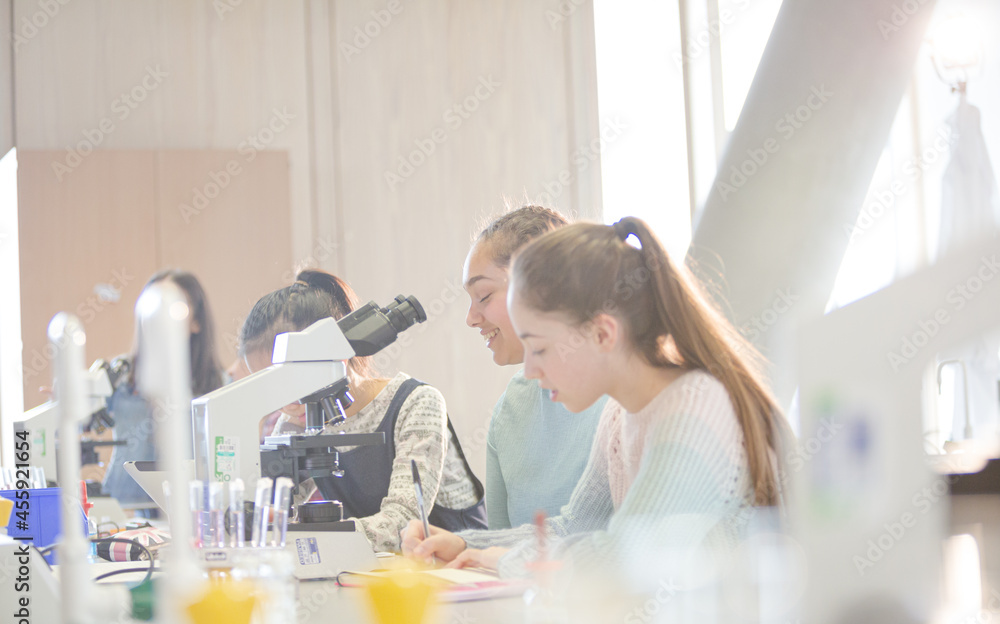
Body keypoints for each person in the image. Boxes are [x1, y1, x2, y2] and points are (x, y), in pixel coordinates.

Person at [404, 217, 791, 578]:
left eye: (539, 349)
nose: (530, 371)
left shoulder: (695, 406)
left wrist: (509, 561)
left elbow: (628, 558)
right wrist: (465, 544)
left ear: (603, 335)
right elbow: (575, 526)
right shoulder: (619, 415)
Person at [240, 269, 487, 551]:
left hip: (461, 572)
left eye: (287, 383)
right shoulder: (299, 417)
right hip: (383, 574)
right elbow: (275, 507)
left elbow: (401, 524)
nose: (284, 403)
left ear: (333, 355)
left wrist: (301, 534)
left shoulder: (417, 403)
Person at [464, 205, 607, 529]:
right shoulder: (513, 404)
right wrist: (460, 545)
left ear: (540, 284)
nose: (471, 318)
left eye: (483, 296)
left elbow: (601, 544)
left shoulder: (624, 399)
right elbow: (502, 544)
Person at [102, 270, 225, 510]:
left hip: (192, 511)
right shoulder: (120, 376)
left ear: (197, 321)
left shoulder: (219, 384)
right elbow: (83, 420)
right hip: (123, 511)